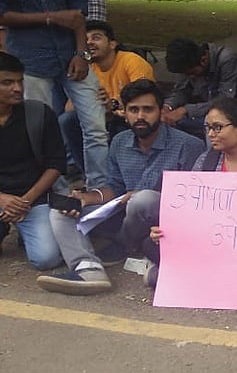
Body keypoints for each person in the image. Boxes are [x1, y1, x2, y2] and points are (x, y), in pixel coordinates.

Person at [37, 79, 205, 295]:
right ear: (124, 113)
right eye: (133, 110)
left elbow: (196, 202)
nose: (140, 116)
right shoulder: (119, 142)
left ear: (161, 111)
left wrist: (141, 196)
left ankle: (125, 246)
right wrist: (86, 198)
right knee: (61, 211)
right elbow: (114, 188)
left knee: (143, 199)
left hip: (161, 225)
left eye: (148, 109)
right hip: (122, 215)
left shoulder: (189, 145)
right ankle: (88, 269)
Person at [145, 97, 237, 287]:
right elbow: (189, 211)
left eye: (218, 127)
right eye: (208, 128)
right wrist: (168, 231)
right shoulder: (206, 161)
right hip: (212, 245)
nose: (211, 134)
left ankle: (179, 275)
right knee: (150, 243)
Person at [0, 0, 111, 190]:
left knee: (96, 126)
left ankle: (100, 190)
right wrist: (51, 18)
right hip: (30, 58)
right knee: (39, 131)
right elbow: (2, 14)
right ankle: (56, 193)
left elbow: (78, 14)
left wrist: (82, 54)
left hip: (71, 53)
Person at [60, 21, 155, 174]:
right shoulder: (87, 68)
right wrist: (93, 103)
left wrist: (112, 104)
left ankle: (118, 176)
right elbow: (69, 107)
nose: (90, 42)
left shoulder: (131, 61)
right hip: (103, 118)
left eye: (96, 38)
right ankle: (89, 175)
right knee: (67, 120)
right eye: (86, 40)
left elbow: (144, 97)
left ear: (112, 44)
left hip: (129, 119)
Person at [0, 52, 63, 270]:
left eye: (20, 81)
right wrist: (2, 199)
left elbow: (56, 164)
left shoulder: (38, 113)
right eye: (7, 83)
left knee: (47, 258)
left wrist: (24, 201)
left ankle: (25, 231)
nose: (17, 88)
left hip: (32, 199)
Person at [163, 38, 237, 139]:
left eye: (192, 73)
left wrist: (185, 110)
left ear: (203, 60)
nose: (191, 78)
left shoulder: (227, 59)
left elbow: (226, 100)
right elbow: (181, 91)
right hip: (204, 113)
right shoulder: (188, 65)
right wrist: (167, 106)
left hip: (230, 117)